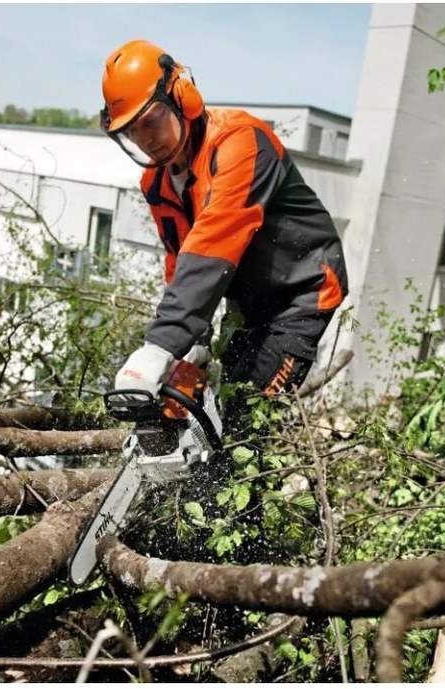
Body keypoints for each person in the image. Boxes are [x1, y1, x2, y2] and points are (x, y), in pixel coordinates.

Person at [101, 39, 349, 435]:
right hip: (246, 296)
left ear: (183, 96)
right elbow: (181, 259)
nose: (145, 139)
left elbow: (213, 245)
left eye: (151, 120)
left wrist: (160, 345)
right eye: (132, 131)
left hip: (301, 294)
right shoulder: (158, 182)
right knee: (214, 403)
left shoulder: (240, 144)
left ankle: (241, 489)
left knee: (244, 426)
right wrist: (192, 341)